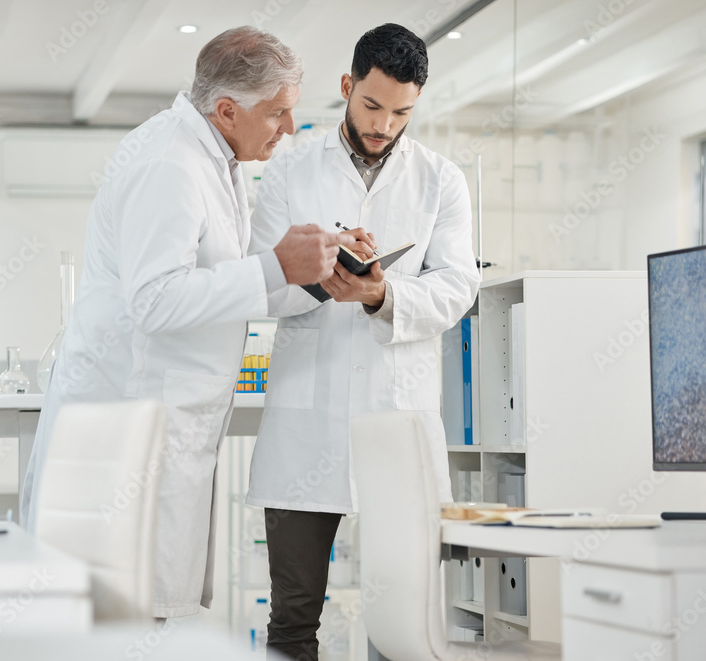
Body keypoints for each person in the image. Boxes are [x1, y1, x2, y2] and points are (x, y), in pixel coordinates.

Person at [21, 27, 352, 619]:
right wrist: (276, 264)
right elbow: (156, 299)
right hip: (133, 426)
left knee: (159, 615)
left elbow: (227, 287)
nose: (290, 129)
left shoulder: (214, 157)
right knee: (128, 621)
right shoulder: (168, 164)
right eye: (278, 113)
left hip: (171, 429)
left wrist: (317, 277)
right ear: (228, 110)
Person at [246, 24, 481, 660]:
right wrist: (323, 274)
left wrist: (379, 295)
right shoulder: (289, 167)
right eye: (372, 105)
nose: (384, 124)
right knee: (293, 622)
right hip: (306, 423)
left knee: (403, 622)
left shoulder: (441, 180)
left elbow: (458, 288)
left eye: (402, 111)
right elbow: (260, 284)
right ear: (347, 87)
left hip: (396, 417)